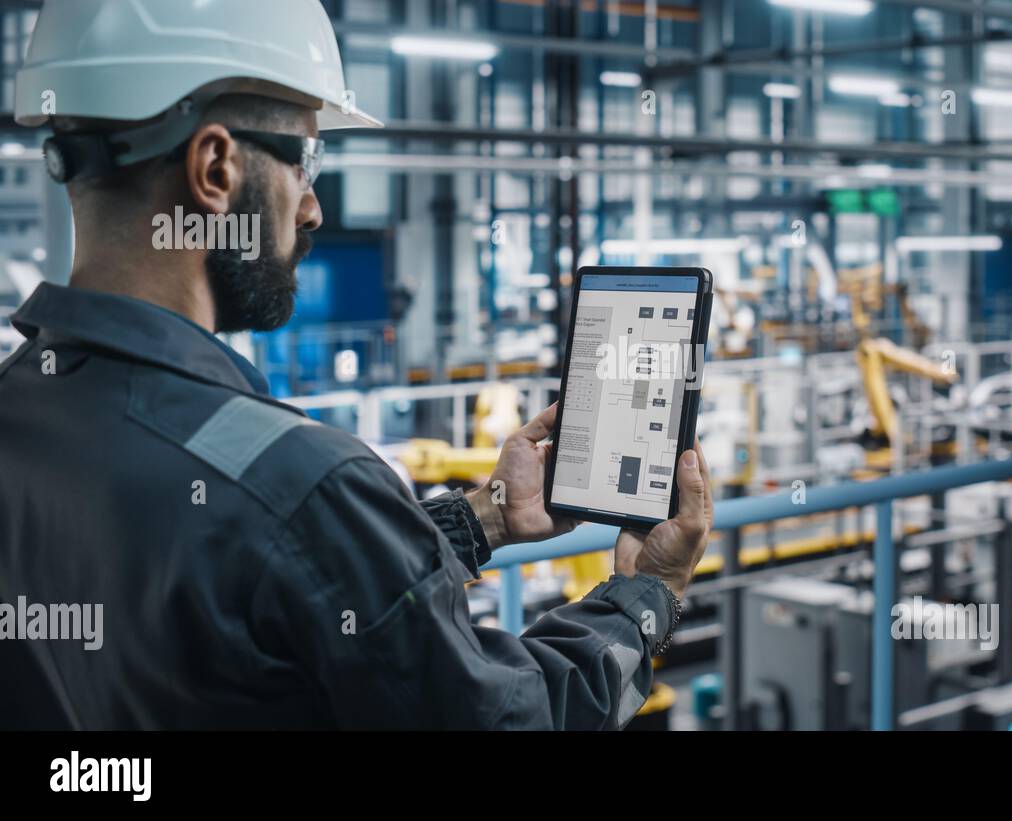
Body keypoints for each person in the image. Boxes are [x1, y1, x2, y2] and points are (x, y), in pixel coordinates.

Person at [0, 0, 712, 730]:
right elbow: (506, 720)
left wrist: (484, 518)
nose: (310, 209)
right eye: (305, 160)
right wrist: (646, 596)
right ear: (214, 168)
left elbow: (284, 574)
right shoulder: (304, 483)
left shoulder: (23, 415)